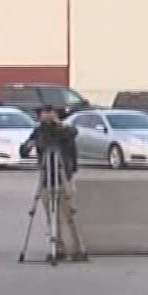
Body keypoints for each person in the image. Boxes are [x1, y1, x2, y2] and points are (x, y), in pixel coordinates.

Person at [19, 104, 86, 262]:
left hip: (63, 178)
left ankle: (75, 249)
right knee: (52, 216)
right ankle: (58, 248)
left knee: (67, 215)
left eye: (49, 113)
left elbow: (72, 135)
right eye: (43, 113)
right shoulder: (39, 132)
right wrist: (28, 146)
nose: (45, 116)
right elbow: (24, 150)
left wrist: (58, 124)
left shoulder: (64, 130)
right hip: (46, 179)